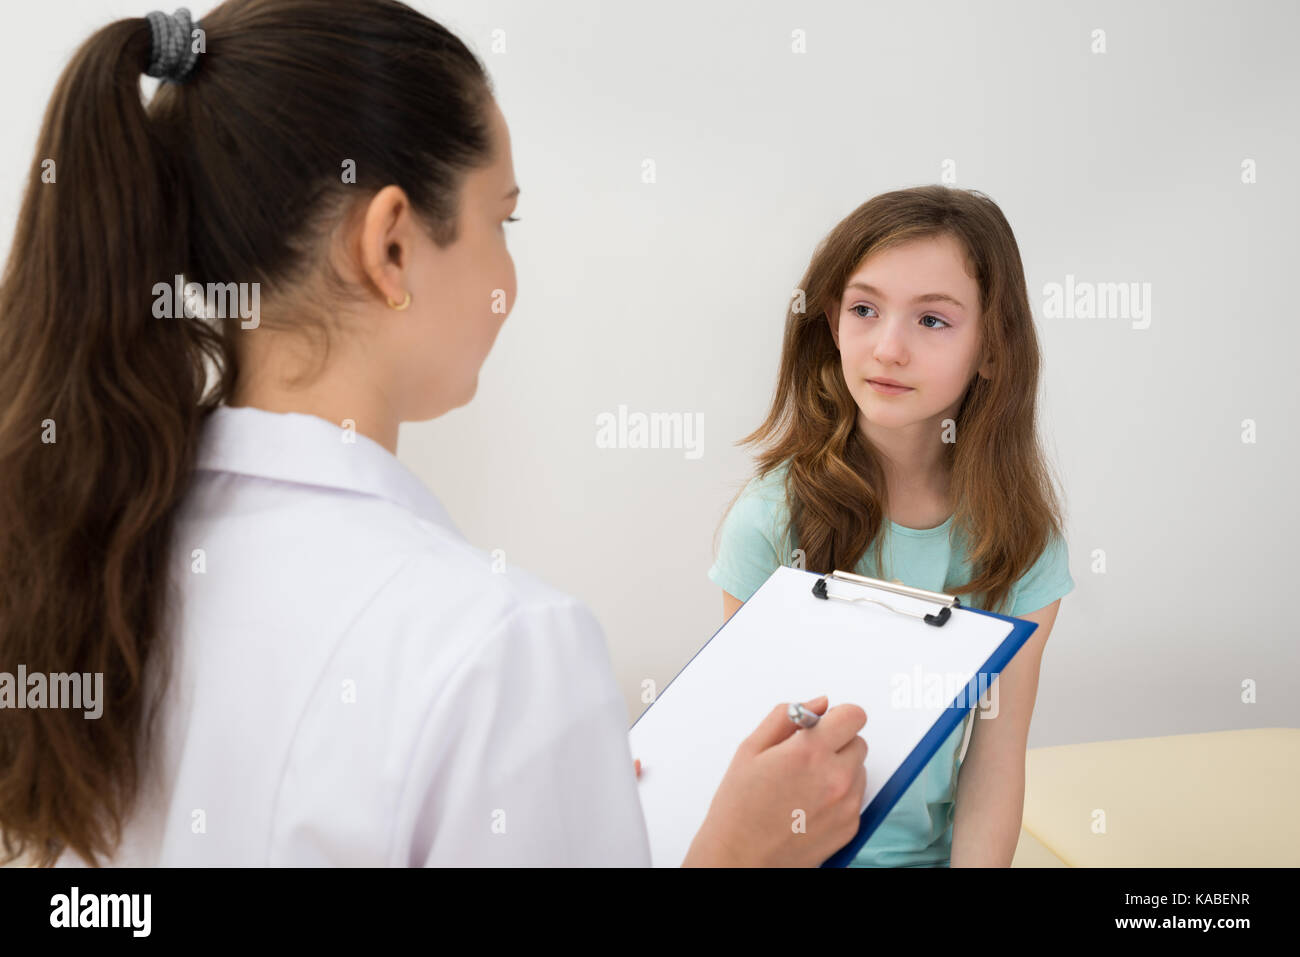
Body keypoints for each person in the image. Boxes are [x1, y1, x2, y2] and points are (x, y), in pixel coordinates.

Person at [0, 0, 867, 867]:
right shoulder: (503, 646)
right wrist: (740, 854)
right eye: (503, 219)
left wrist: (546, 786)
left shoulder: (91, 544)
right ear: (391, 248)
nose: (509, 274)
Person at [710, 186, 1075, 867]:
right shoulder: (768, 522)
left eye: (932, 321)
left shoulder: (1022, 544)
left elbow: (993, 765)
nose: (887, 348)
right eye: (864, 309)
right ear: (832, 321)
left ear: (992, 349)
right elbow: (751, 762)